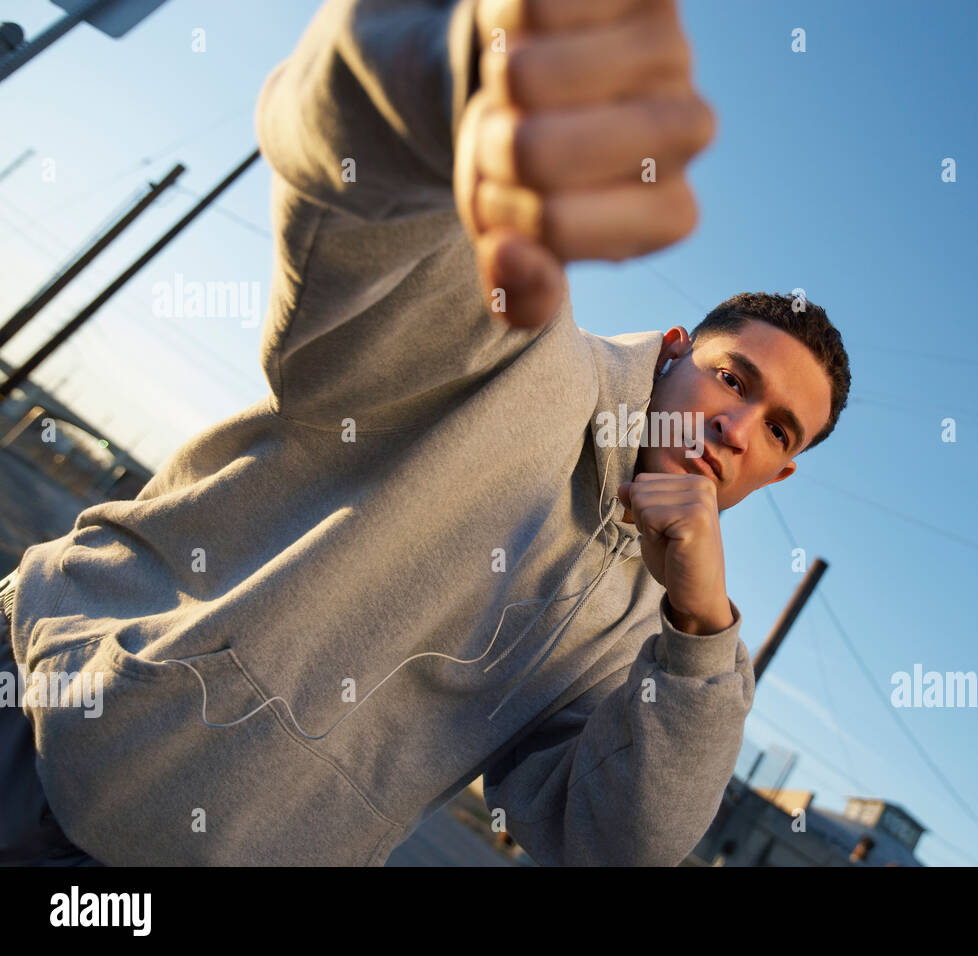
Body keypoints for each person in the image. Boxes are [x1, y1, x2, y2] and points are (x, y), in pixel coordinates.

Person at [0, 0, 851, 866]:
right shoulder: (523, 355)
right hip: (43, 716)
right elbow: (365, 203)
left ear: (779, 471)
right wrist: (437, 72)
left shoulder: (656, 639)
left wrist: (703, 631)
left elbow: (609, 845)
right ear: (672, 353)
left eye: (780, 429)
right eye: (731, 377)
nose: (737, 426)